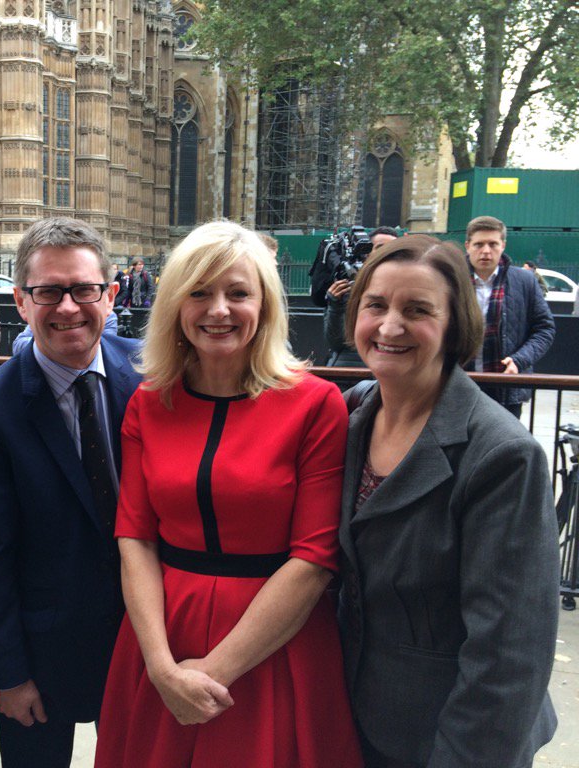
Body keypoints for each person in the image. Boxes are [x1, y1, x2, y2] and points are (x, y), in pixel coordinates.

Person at [94, 221, 361, 768]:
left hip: (272, 643)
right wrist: (163, 669)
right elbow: (135, 537)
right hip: (162, 636)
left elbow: (313, 559)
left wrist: (212, 673)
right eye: (199, 292)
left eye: (238, 293)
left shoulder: (315, 404)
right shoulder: (149, 403)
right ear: (175, 305)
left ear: (264, 304)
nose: (219, 310)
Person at [338, 234, 558, 767]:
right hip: (352, 721)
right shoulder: (350, 416)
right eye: (376, 305)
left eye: (417, 310)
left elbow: (509, 653)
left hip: (444, 737)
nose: (390, 327)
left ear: (455, 323)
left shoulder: (503, 456)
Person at [0, 217, 143, 768]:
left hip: (145, 645)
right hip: (40, 657)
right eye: (49, 292)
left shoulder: (152, 373)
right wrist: (6, 674)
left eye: (84, 290)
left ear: (110, 295)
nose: (68, 307)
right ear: (20, 300)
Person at [465, 215, 555, 417]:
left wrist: (519, 360)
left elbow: (545, 329)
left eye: (493, 244)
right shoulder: (450, 279)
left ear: (503, 246)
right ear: (468, 246)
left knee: (503, 439)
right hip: (458, 385)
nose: (486, 251)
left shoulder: (524, 281)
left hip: (505, 387)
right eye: (479, 244)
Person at [323, 226, 398, 367]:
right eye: (380, 247)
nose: (387, 253)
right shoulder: (347, 284)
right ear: (365, 252)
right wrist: (335, 305)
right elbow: (336, 342)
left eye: (392, 249)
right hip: (351, 367)